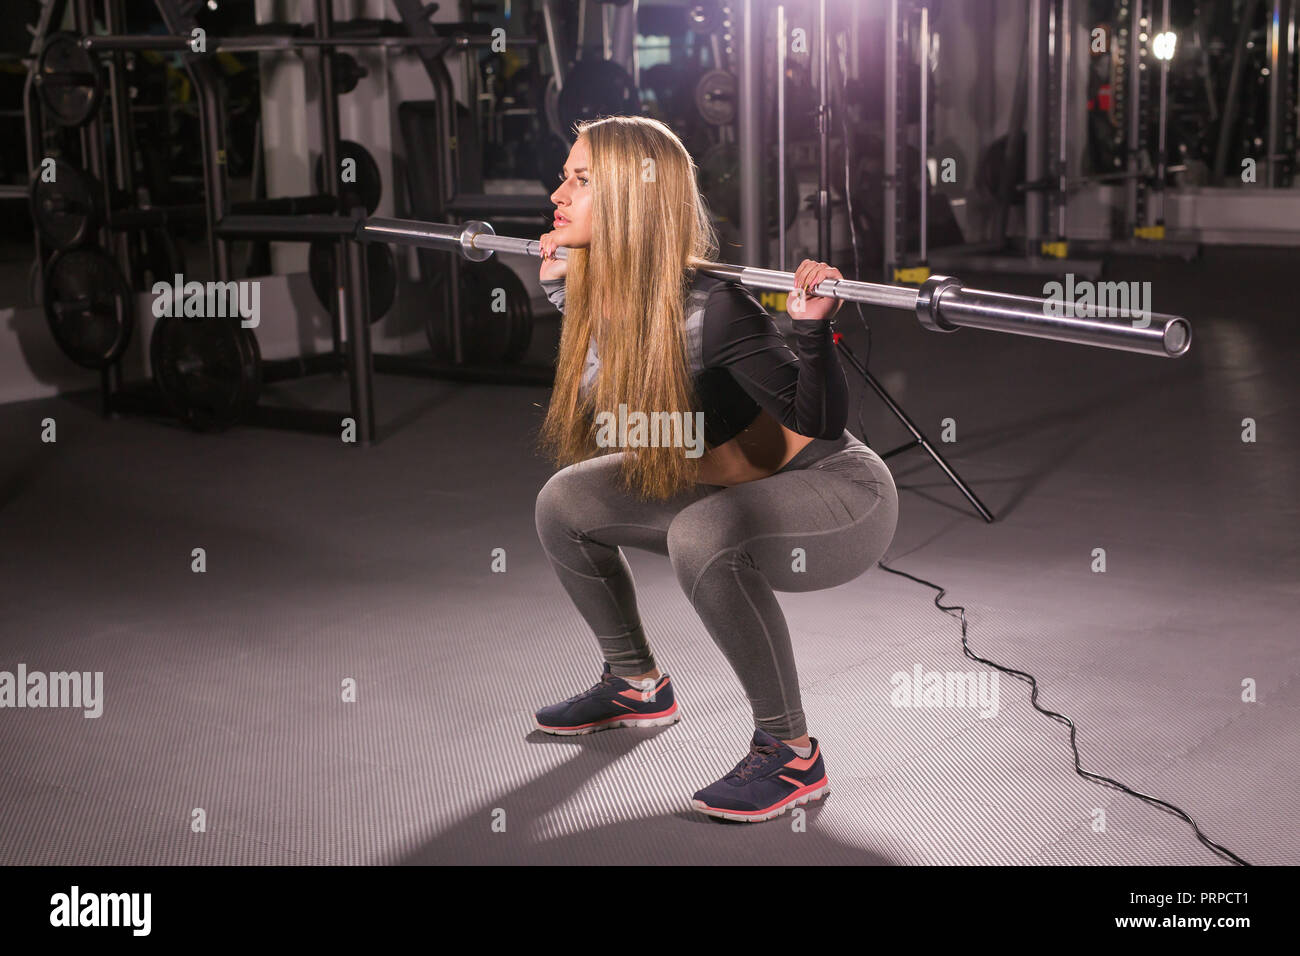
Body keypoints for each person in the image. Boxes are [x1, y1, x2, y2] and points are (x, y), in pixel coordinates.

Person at [531, 115, 899, 823]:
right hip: (729, 481)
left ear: (634, 200)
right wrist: (565, 298)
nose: (559, 193)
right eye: (566, 176)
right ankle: (636, 684)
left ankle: (791, 755)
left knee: (701, 535)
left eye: (580, 180)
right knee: (566, 503)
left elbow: (814, 420)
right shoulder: (605, 289)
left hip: (834, 493)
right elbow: (621, 416)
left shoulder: (716, 307)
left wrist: (812, 330)